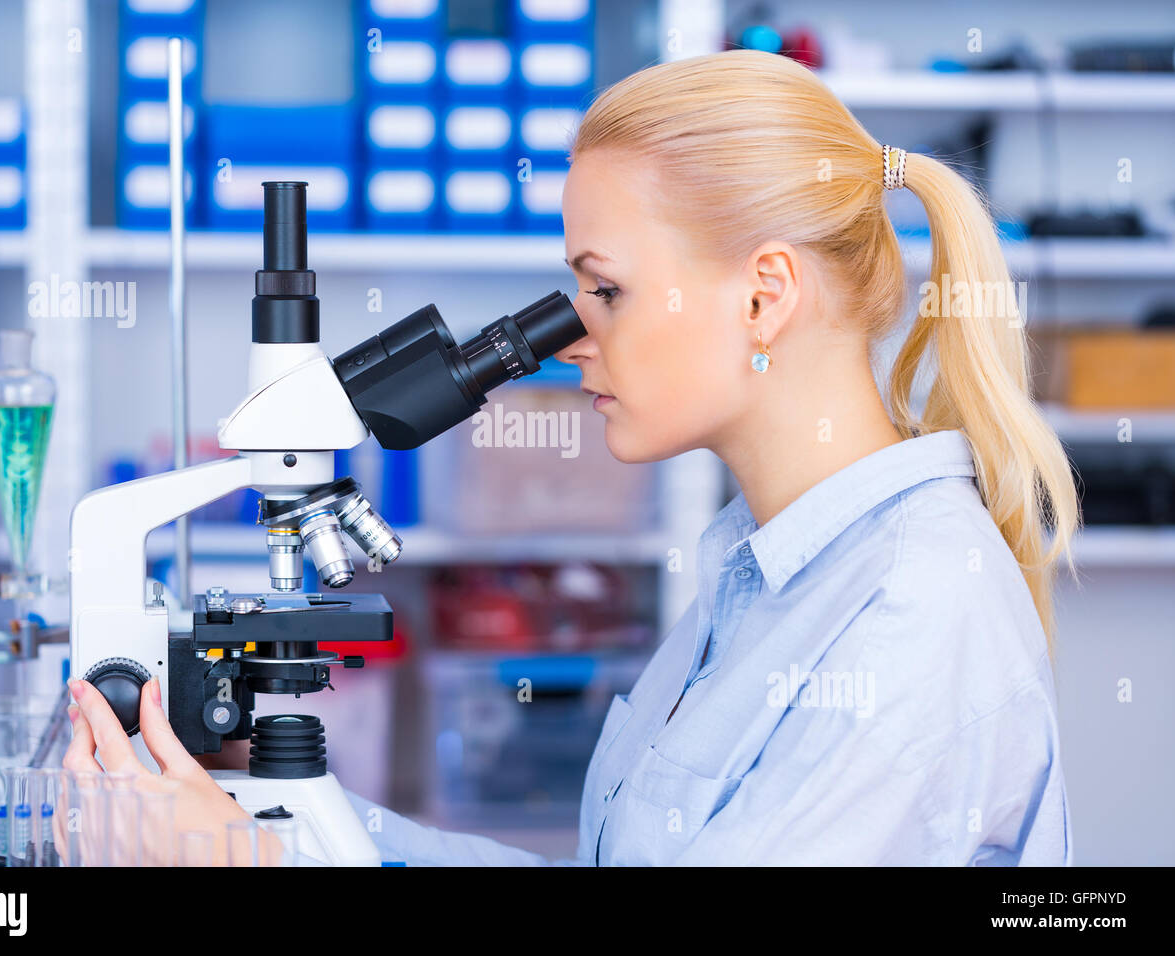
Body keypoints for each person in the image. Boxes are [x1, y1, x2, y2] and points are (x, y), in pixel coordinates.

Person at [65, 49, 1080, 865]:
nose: (571, 337)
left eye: (607, 290)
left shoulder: (910, 615)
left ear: (764, 296)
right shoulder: (760, 569)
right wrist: (288, 829)